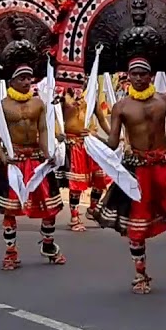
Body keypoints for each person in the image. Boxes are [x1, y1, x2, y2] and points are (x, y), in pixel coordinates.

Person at [93, 7, 166, 294]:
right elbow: (112, 142)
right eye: (133, 73)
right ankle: (141, 275)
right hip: (137, 171)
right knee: (138, 226)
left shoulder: (164, 101)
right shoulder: (121, 107)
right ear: (127, 75)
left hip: (165, 166)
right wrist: (91, 138)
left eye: (143, 73)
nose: (138, 78)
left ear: (151, 74)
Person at [0, 41, 67, 269]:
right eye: (22, 78)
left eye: (29, 78)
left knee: (49, 206)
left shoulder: (38, 103)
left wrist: (48, 153)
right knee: (11, 209)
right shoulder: (2, 106)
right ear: (12, 81)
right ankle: (11, 252)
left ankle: (48, 244)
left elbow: (44, 129)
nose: (27, 82)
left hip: (36, 161)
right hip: (13, 161)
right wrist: (1, 155)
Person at [59, 91, 109, 231]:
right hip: (74, 144)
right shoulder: (63, 96)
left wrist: (115, 136)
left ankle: (92, 209)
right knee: (77, 183)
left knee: (101, 178)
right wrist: (58, 135)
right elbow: (53, 116)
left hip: (91, 143)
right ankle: (74, 217)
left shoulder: (91, 95)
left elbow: (101, 119)